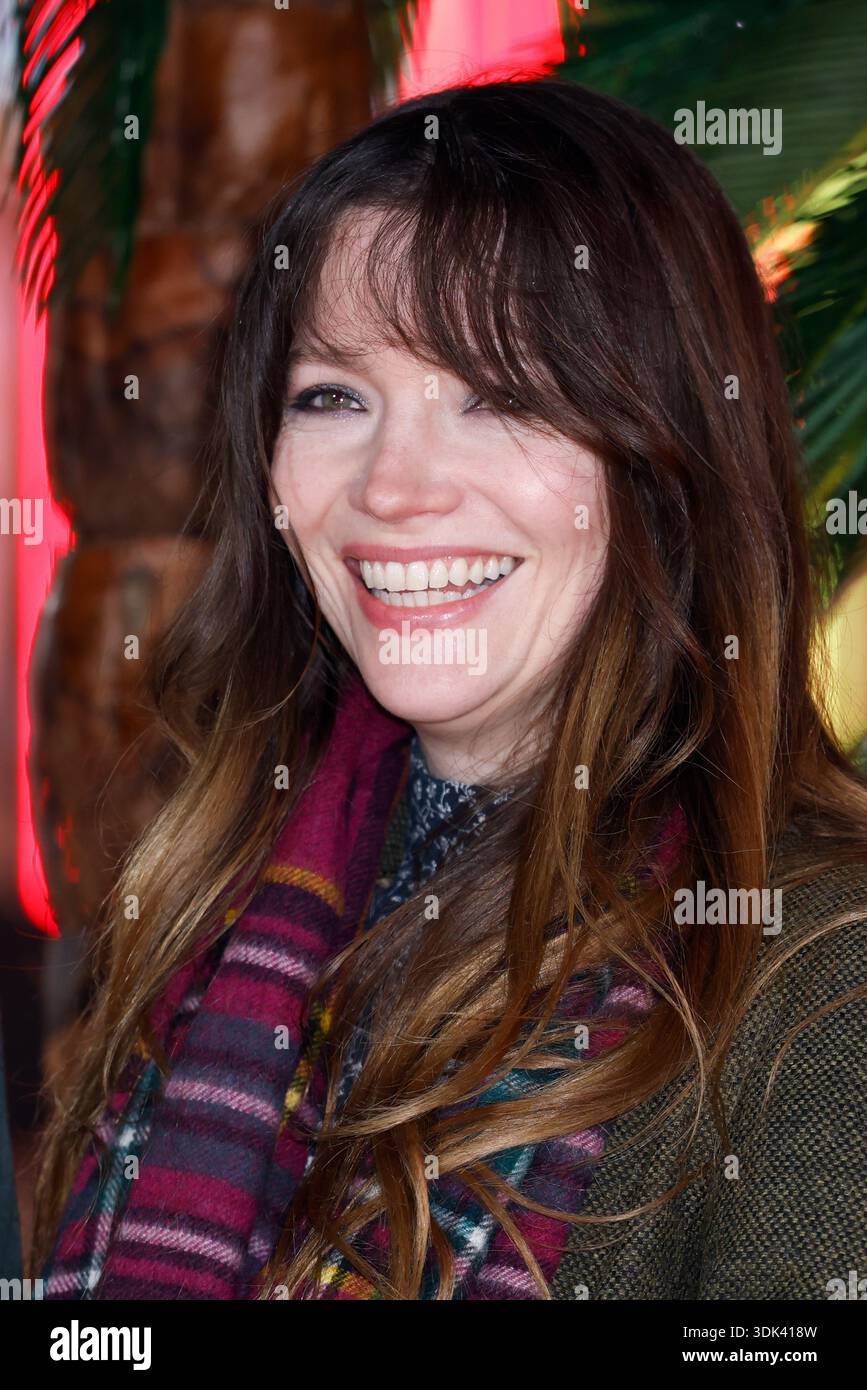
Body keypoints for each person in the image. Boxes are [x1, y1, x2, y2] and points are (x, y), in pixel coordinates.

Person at [33, 78, 867, 1300]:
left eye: (503, 394)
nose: (395, 487)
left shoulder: (822, 989)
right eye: (333, 397)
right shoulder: (214, 882)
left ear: (668, 462)